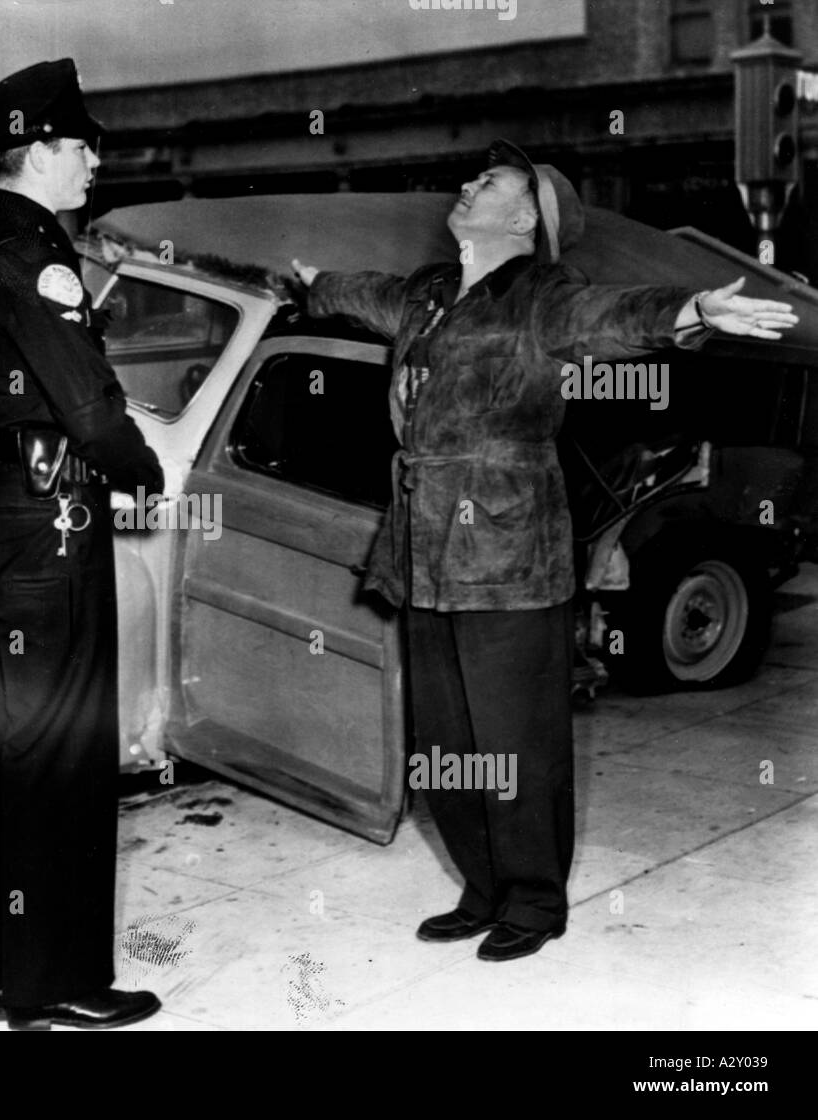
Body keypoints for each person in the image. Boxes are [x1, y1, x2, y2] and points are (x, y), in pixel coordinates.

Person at [293, 139, 797, 961]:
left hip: (507, 548)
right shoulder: (427, 294)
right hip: (422, 547)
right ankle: (481, 885)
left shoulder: (542, 296)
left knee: (514, 741)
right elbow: (359, 295)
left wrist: (695, 312)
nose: (467, 182)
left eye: (488, 180)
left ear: (525, 215)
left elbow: (616, 317)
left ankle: (533, 899)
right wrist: (310, 284)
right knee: (445, 743)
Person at [0, 59, 165, 1027]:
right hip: (47, 526)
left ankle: (21, 979)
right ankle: (52, 988)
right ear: (35, 154)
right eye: (81, 146)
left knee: (29, 751)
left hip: (4, 514)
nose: (94, 161)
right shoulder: (32, 254)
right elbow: (86, 401)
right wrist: (141, 469)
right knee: (57, 759)